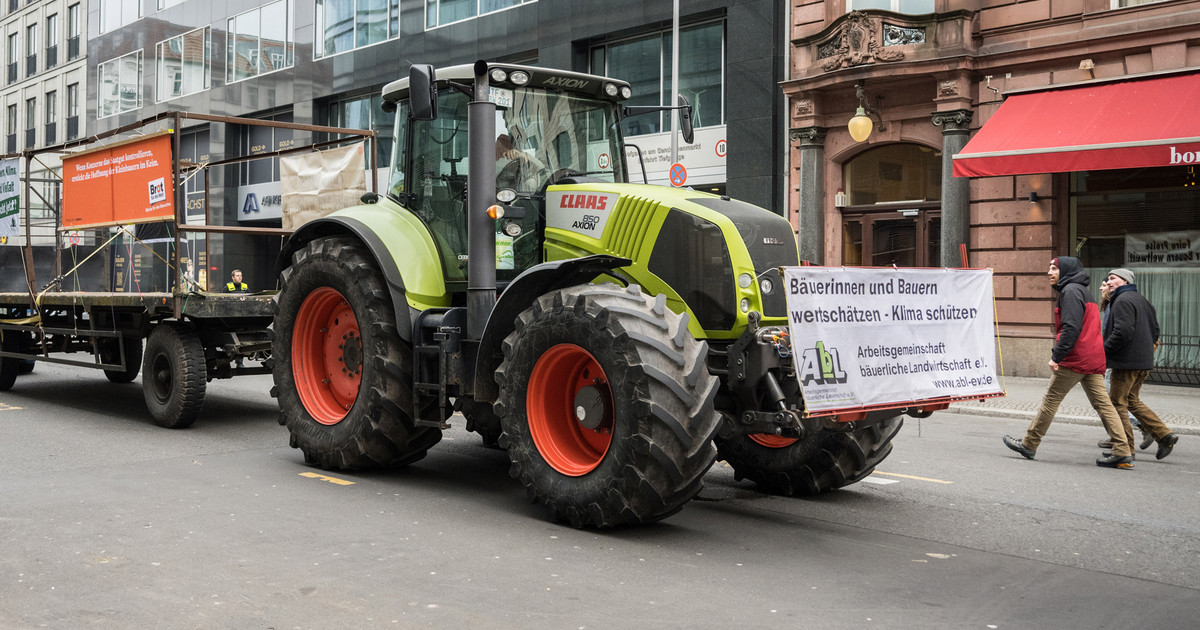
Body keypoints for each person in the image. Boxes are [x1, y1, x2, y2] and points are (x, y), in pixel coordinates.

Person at [1002, 256, 1134, 468]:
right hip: (1093, 357)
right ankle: (1122, 450)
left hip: (1076, 357)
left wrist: (1057, 355)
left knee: (1051, 400)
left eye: (1054, 268)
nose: (1049, 272)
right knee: (1104, 405)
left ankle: (1029, 443)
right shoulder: (1082, 291)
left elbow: (1071, 327)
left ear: (1065, 271)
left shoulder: (1070, 291)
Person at [1101, 268, 1179, 460]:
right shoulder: (1142, 300)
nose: (1109, 282)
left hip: (1126, 363)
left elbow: (1122, 332)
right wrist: (1144, 352)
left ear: (1125, 282)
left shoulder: (1122, 300)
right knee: (1131, 400)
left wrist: (1103, 350)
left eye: (1113, 279)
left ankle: (1125, 449)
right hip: (1142, 361)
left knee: (1117, 403)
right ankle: (1164, 435)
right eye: (1108, 279)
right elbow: (1155, 330)